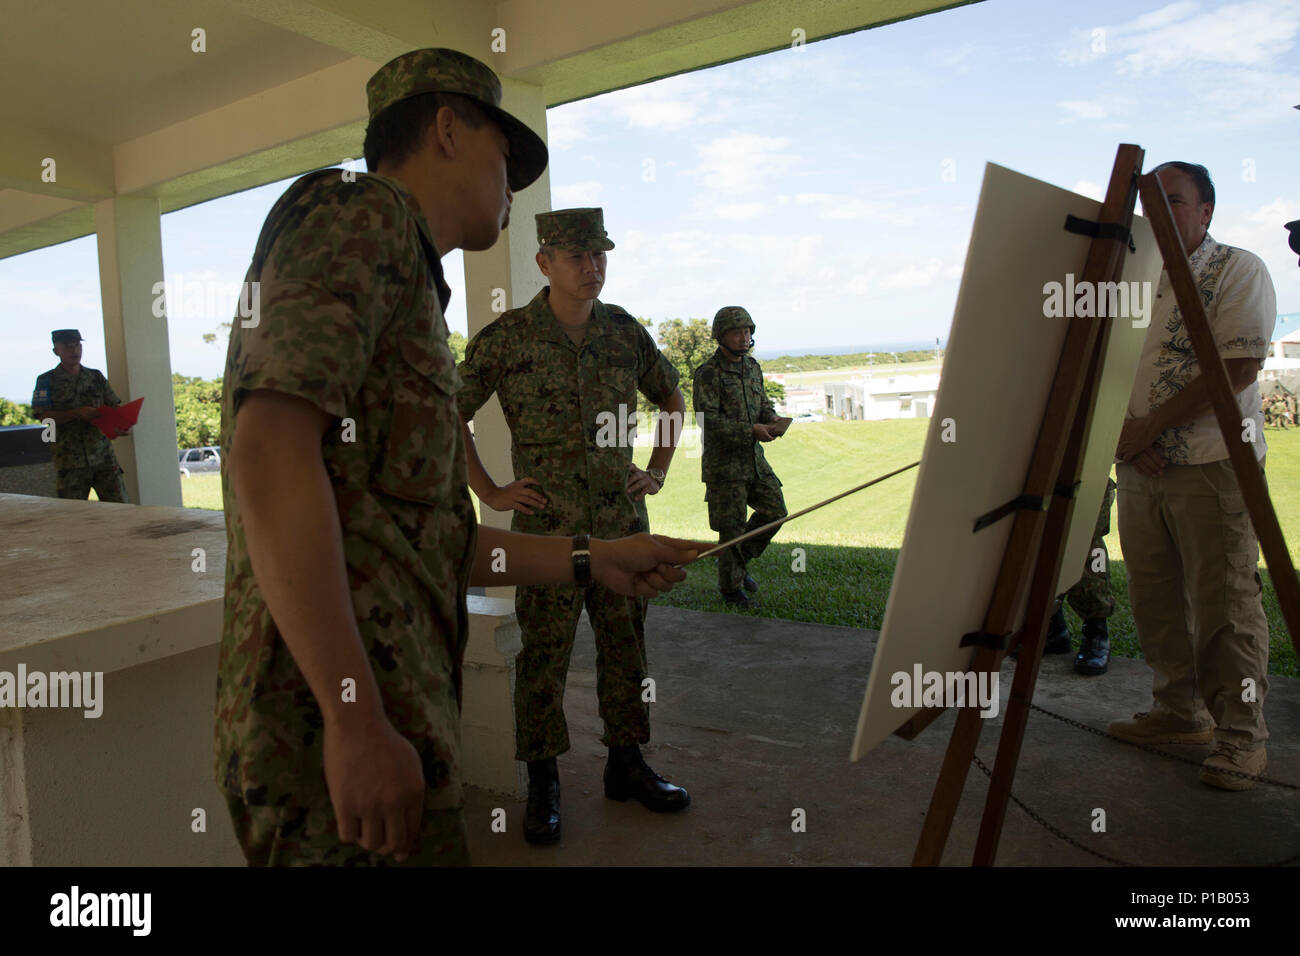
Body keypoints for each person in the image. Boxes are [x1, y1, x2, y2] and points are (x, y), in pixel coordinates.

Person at [216, 49, 704, 867]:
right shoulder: (359, 212)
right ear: (447, 130)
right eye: (505, 158)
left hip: (394, 715)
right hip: (324, 737)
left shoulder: (409, 280)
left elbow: (430, 541)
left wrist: (596, 556)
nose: (512, 188)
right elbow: (266, 457)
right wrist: (353, 720)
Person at [457, 207, 691, 846]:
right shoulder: (508, 337)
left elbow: (671, 397)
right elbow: (449, 411)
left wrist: (657, 470)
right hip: (546, 531)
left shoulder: (624, 332)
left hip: (621, 524)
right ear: (544, 263)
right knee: (543, 656)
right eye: (577, 257)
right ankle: (544, 782)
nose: (592, 267)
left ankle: (627, 764)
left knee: (626, 647)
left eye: (599, 255)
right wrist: (489, 489)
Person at [1111, 161, 1277, 791]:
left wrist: (1147, 428)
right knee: (1155, 598)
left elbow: (1237, 366)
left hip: (1214, 464)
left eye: (1173, 201)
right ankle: (1179, 714)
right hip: (1141, 465)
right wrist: (1128, 438)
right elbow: (1103, 363)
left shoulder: (1238, 269)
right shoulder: (1130, 277)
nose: (1156, 213)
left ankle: (1241, 737)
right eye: (1148, 202)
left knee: (1225, 607)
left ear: (1206, 210)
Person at [693, 306, 791, 608]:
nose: (744, 337)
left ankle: (739, 563)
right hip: (724, 466)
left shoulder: (752, 367)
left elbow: (762, 404)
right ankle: (731, 589)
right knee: (731, 528)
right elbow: (707, 420)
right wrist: (751, 430)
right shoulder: (708, 373)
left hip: (754, 461)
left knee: (775, 511)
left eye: (747, 331)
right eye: (737, 332)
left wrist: (772, 419)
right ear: (721, 336)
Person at [31, 329, 131, 502]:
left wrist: (119, 424)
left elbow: (114, 407)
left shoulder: (95, 377)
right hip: (69, 461)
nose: (74, 350)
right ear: (56, 351)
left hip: (103, 457)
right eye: (67, 346)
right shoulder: (46, 380)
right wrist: (75, 413)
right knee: (72, 513)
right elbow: (44, 417)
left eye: (77, 345)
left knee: (121, 508)